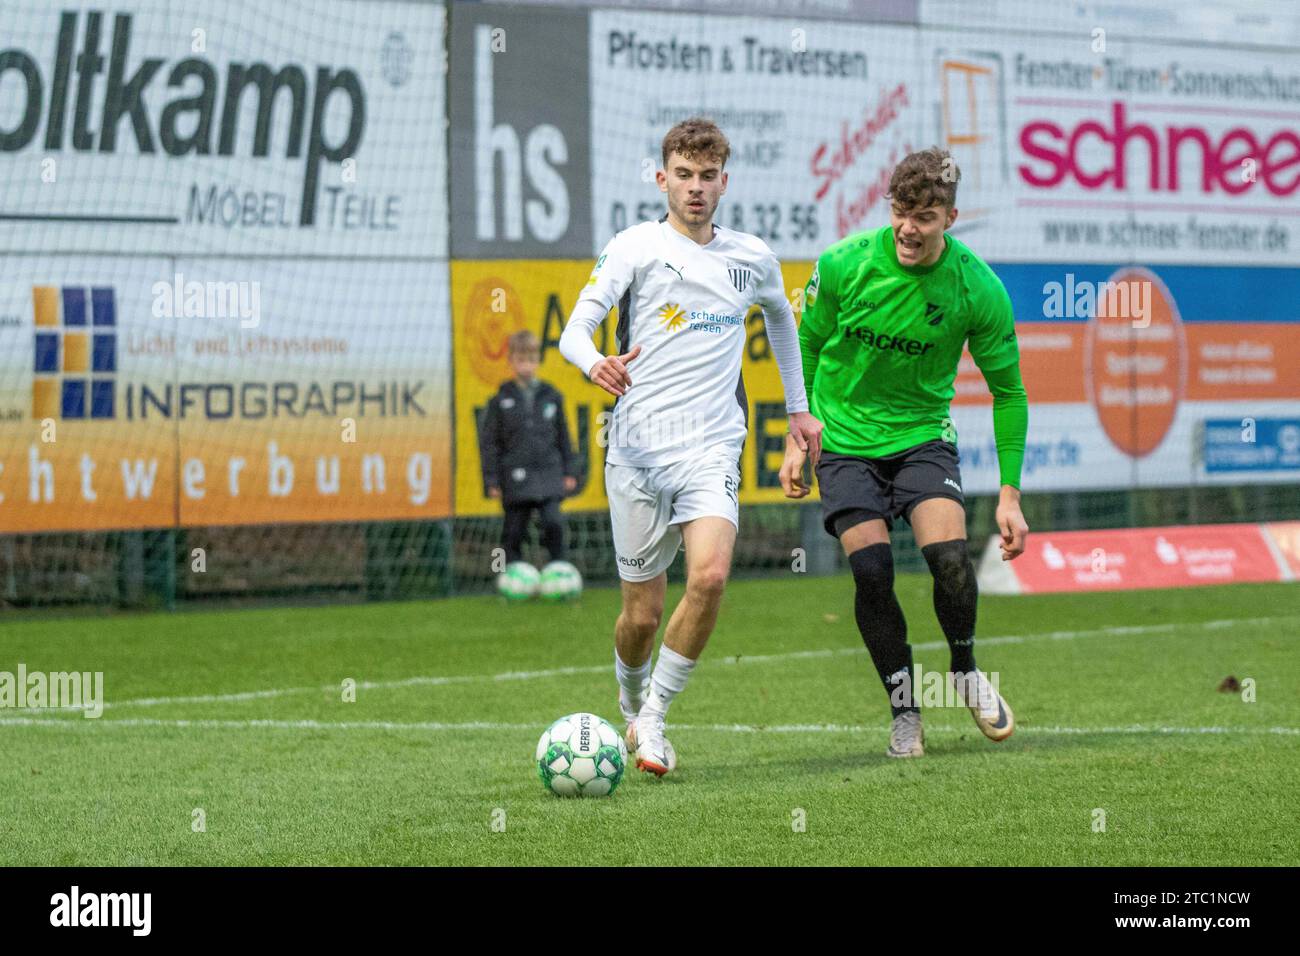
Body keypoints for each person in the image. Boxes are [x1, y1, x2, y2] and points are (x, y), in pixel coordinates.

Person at [559, 117, 822, 775]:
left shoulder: (751, 257)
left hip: (710, 446)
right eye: (684, 174)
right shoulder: (634, 248)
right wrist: (595, 364)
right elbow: (574, 333)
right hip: (639, 451)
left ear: (724, 182)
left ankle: (654, 719)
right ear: (662, 178)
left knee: (708, 575)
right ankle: (629, 702)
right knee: (640, 616)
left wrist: (799, 411)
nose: (696, 187)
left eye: (707, 176)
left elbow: (782, 323)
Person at [780, 147, 1029, 758]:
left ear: (951, 216)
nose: (909, 228)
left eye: (925, 215)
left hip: (921, 436)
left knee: (948, 559)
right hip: (843, 440)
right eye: (900, 211)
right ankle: (904, 710)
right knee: (871, 571)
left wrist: (1010, 494)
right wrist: (797, 434)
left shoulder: (978, 288)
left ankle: (965, 670)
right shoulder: (843, 264)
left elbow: (1010, 393)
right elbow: (804, 346)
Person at [480, 330, 579, 567]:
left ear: (538, 361)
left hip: (548, 472)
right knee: (513, 530)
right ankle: (512, 573)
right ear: (511, 361)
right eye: (521, 360)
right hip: (515, 475)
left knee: (553, 523)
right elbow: (490, 444)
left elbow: (564, 437)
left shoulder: (551, 396)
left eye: (531, 360)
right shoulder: (500, 400)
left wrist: (570, 471)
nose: (526, 365)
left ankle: (560, 569)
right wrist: (491, 480)